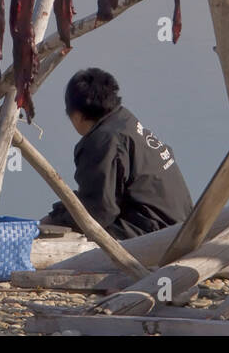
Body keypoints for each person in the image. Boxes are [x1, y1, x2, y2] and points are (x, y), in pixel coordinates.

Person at [41, 67, 193, 239]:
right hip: (180, 223)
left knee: (52, 232)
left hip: (154, 234)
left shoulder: (103, 140)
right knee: (60, 216)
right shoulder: (125, 120)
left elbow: (100, 212)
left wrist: (56, 219)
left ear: (77, 115)